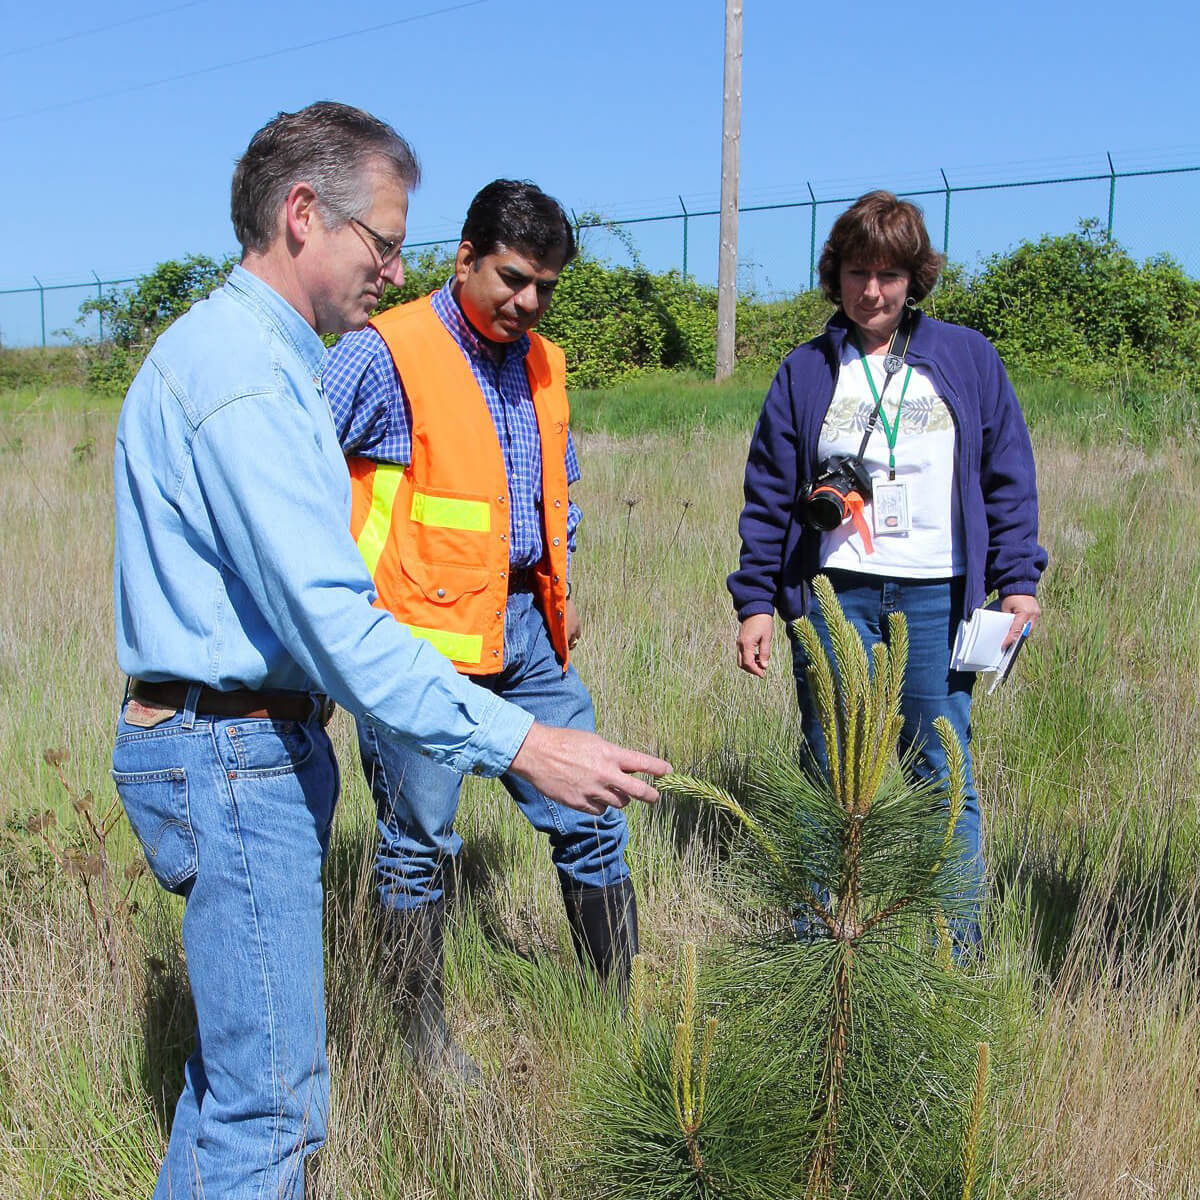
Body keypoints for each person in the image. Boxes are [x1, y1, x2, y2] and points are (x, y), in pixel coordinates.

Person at [111, 103, 669, 1200]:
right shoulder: (255, 378)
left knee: (236, 1096)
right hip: (242, 746)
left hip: (279, 729)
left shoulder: (257, 358)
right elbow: (331, 615)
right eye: (382, 241)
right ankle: (420, 1034)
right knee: (270, 1110)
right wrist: (524, 745)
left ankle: (620, 1005)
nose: (393, 267)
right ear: (303, 214)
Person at [322, 179, 638, 1084]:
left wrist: (554, 574)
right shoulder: (384, 352)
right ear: (464, 259)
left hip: (525, 630)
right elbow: (297, 472)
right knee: (418, 842)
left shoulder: (544, 362)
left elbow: (555, 488)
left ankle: (617, 1025)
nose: (528, 302)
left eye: (545, 287)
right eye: (512, 279)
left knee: (594, 811)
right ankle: (423, 1051)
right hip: (419, 640)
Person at [727, 190, 1046, 948]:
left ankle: (952, 950)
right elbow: (768, 493)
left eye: (890, 274)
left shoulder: (967, 358)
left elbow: (1008, 475)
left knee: (941, 771)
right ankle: (821, 947)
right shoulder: (806, 371)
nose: (872, 291)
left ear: (915, 278)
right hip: (833, 595)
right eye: (857, 272)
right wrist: (756, 602)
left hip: (939, 596)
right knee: (830, 768)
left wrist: (1019, 582)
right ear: (835, 274)